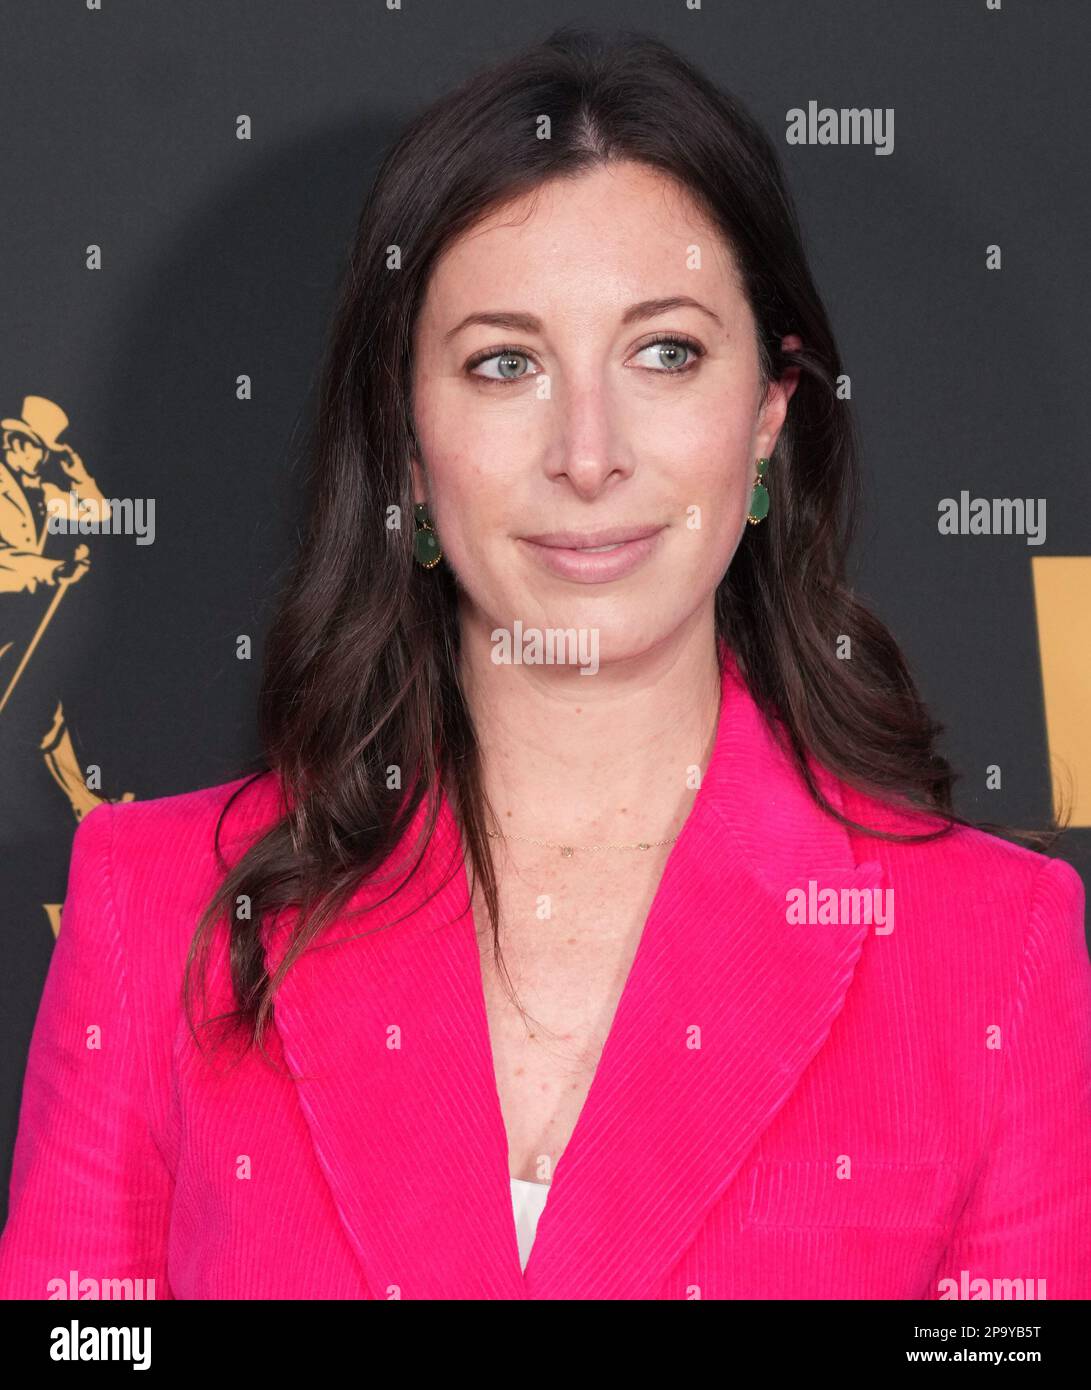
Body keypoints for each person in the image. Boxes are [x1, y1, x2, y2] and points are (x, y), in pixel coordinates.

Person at [1, 26, 1088, 1302]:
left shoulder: (985, 953)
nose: (587, 452)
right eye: (504, 362)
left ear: (766, 424)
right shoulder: (157, 913)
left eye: (664, 352)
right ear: (406, 443)